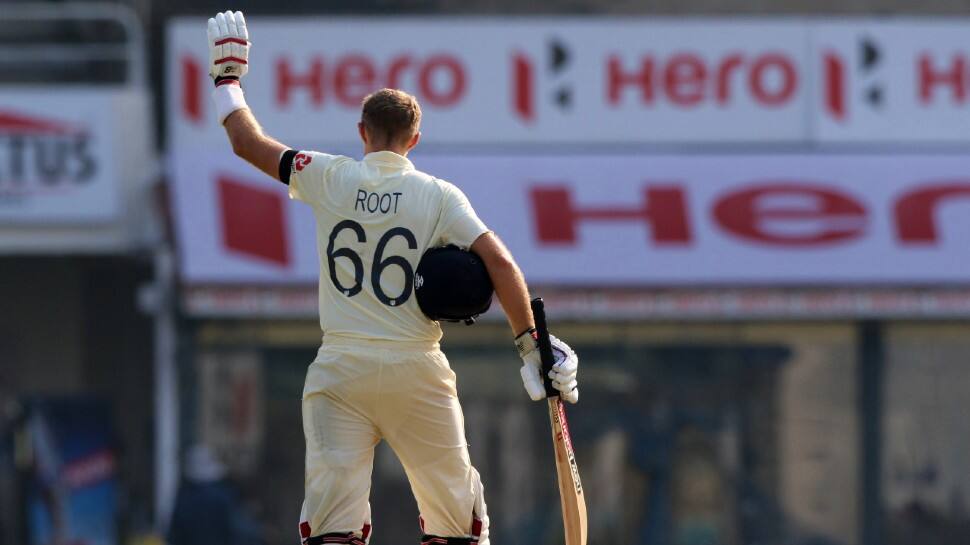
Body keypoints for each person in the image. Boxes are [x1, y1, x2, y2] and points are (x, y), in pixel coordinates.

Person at [205, 11, 580, 545]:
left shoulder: (326, 174)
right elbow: (499, 262)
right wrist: (531, 346)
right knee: (456, 529)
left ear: (362, 133)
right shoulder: (438, 195)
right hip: (416, 372)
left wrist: (228, 81)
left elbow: (247, 142)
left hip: (340, 371)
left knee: (334, 530)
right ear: (415, 138)